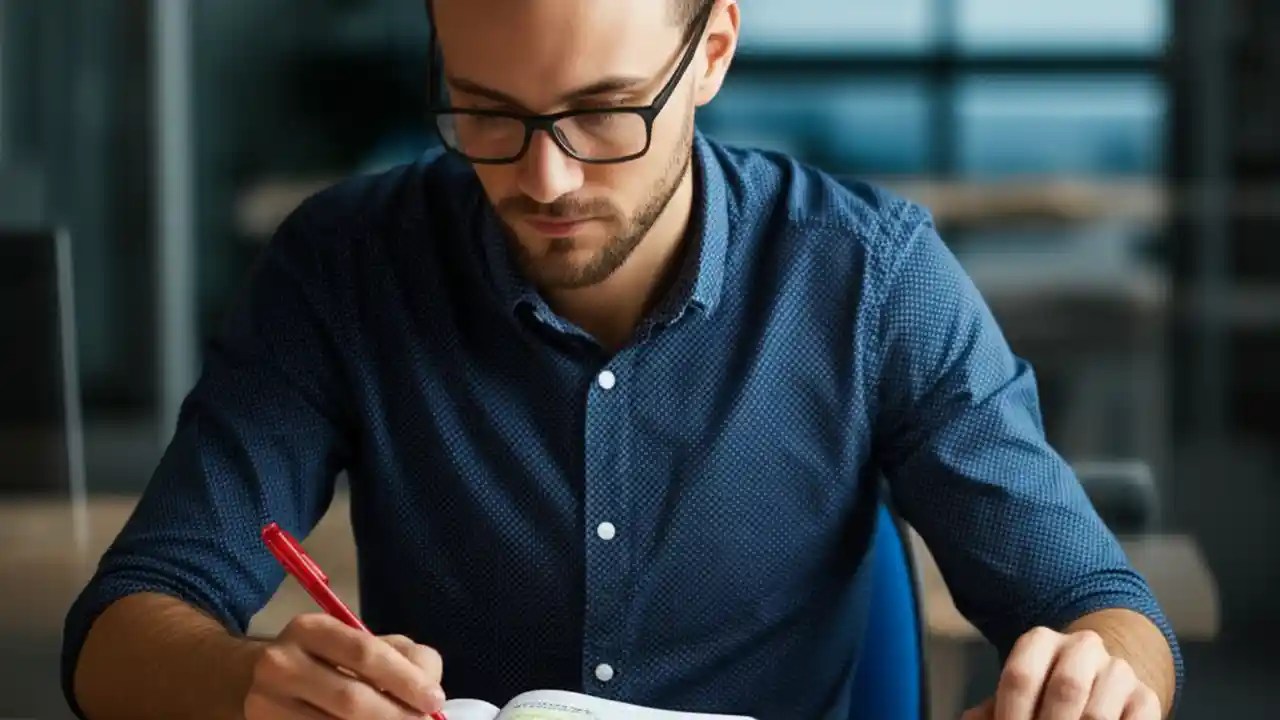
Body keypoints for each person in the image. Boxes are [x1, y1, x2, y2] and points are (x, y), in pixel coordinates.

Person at [63, 1, 1182, 718]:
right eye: (486, 115)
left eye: (602, 116)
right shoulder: (345, 266)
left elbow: (1101, 606)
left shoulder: (870, 279)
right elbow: (124, 626)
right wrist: (248, 685)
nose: (543, 180)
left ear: (711, 53)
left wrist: (1090, 679)